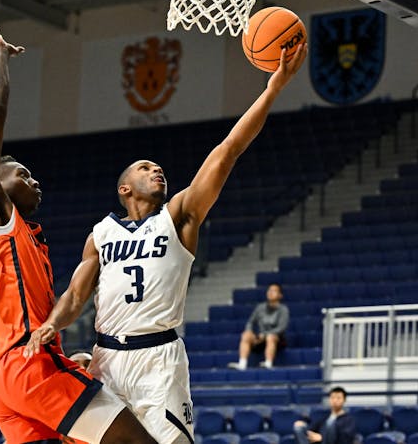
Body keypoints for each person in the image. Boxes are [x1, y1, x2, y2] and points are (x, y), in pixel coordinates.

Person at [25, 43, 309, 443]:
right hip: (106, 358)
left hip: (159, 360)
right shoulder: (100, 233)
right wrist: (51, 324)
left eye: (158, 167)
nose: (156, 169)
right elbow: (75, 296)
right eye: (145, 167)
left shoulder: (178, 216)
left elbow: (227, 152)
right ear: (125, 187)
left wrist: (273, 89)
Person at [0, 17, 156, 444]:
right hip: (27, 369)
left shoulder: (27, 235)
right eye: (21, 173)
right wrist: (0, 57)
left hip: (9, 379)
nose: (33, 179)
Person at [228, 283, 290, 370]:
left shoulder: (283, 309)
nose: (270, 292)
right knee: (246, 335)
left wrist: (265, 335)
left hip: (276, 339)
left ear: (280, 295)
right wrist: (249, 331)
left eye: (274, 291)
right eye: (269, 290)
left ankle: (268, 363)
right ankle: (242, 363)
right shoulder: (260, 307)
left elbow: (281, 328)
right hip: (260, 338)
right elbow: (250, 322)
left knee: (270, 337)